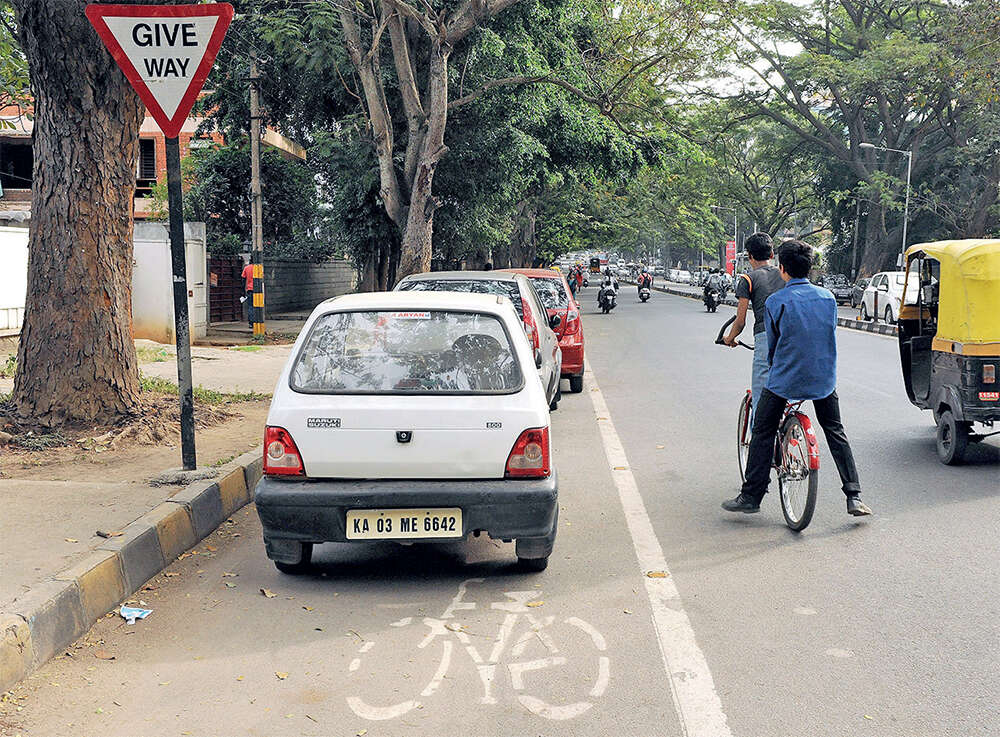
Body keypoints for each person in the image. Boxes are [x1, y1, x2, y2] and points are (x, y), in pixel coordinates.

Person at [722, 240, 872, 517]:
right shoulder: (828, 298)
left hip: (785, 380)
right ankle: (854, 495)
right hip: (823, 379)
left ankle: (752, 496)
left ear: (782, 268)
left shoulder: (775, 302)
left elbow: (773, 347)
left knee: (762, 429)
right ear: (809, 267)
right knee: (835, 430)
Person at [723, 233, 785, 411]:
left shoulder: (747, 279)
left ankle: (759, 427)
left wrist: (730, 338)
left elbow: (740, 321)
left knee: (761, 397)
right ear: (771, 254)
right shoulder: (784, 275)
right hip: (789, 335)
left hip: (765, 337)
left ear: (749, 256)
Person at [241, 258, 255, 328]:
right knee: (258, 306)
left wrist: (243, 291)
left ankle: (251, 323)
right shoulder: (258, 268)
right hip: (258, 290)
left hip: (250, 289)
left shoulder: (246, 268)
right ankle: (257, 321)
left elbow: (243, 280)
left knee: (250, 306)